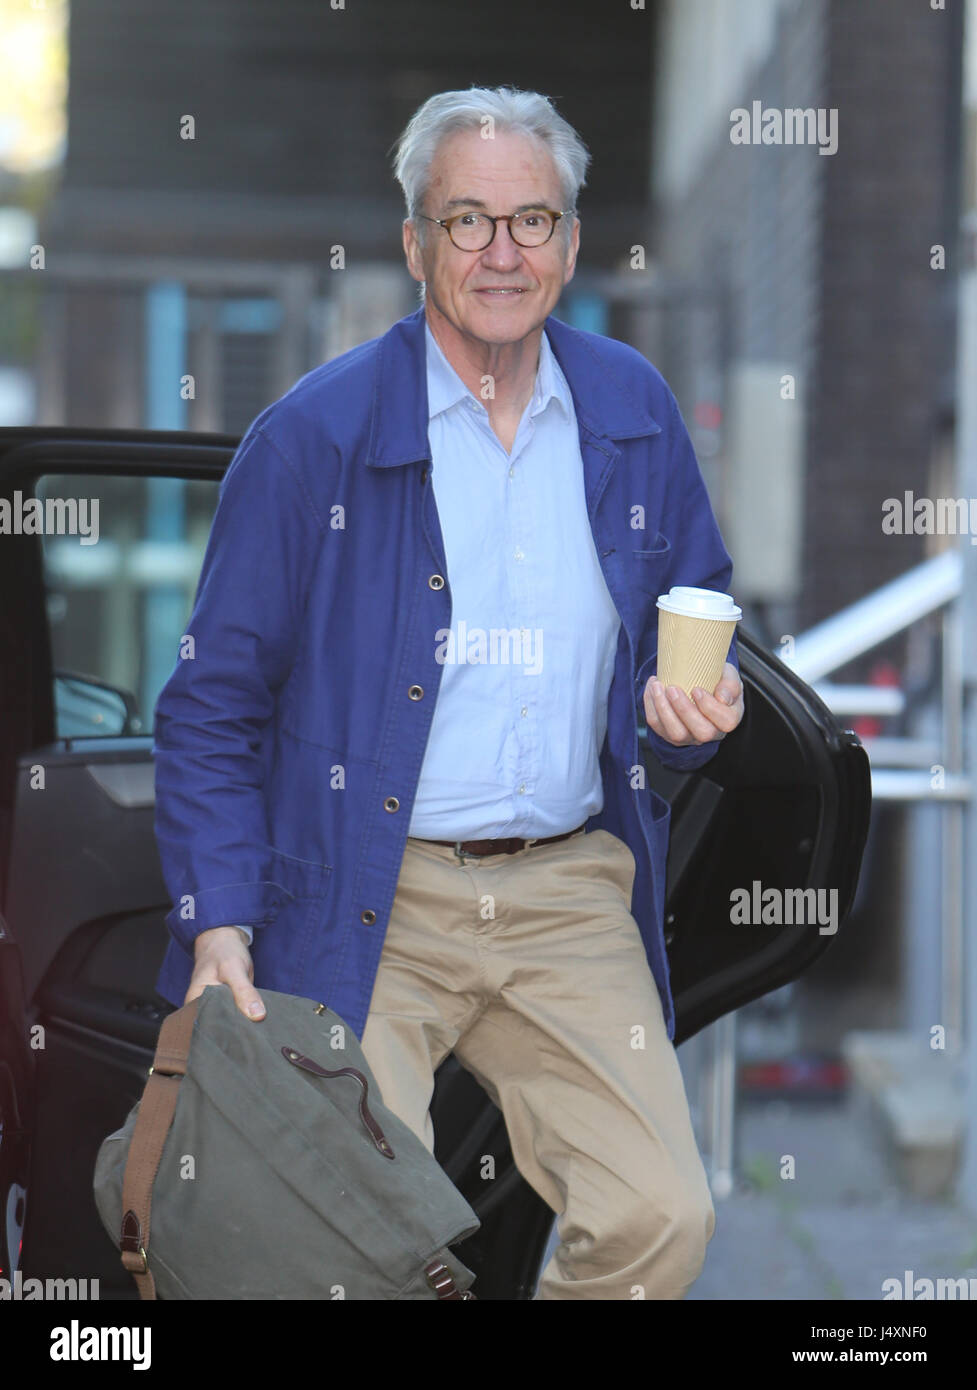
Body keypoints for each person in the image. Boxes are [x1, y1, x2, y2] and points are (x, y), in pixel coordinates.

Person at [152, 85, 745, 1300]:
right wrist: (219, 914)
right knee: (358, 1241)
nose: (500, 252)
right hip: (372, 884)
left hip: (569, 888)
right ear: (415, 241)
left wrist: (694, 708)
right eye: (465, 220)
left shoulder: (631, 410)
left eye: (531, 221)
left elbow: (693, 616)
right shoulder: (310, 437)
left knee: (658, 1219)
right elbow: (212, 703)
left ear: (572, 242)